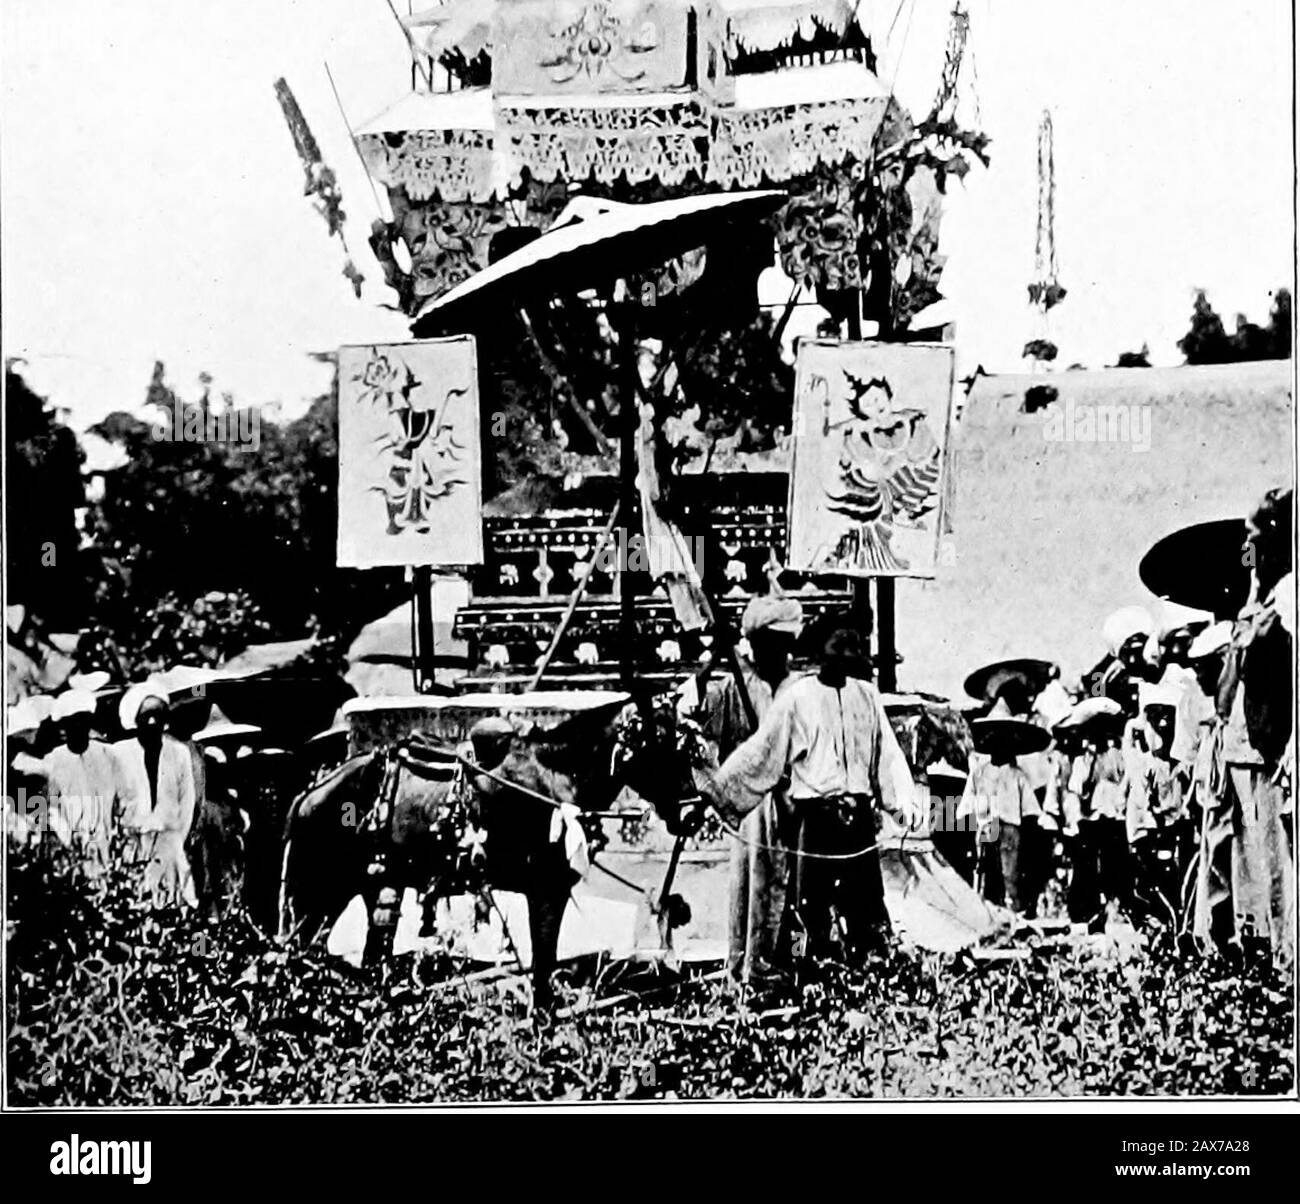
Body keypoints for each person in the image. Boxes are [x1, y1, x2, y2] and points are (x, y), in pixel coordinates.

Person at [696, 622, 917, 969]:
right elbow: (763, 751)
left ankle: (870, 969)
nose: (845, 656)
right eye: (837, 649)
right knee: (805, 905)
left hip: (857, 816)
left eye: (852, 649)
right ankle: (800, 969)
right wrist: (722, 792)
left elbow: (887, 754)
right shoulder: (798, 698)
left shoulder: (866, 696)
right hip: (816, 817)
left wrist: (901, 803)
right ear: (819, 655)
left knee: (867, 901)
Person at [693, 593, 804, 988]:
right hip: (752, 809)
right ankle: (751, 969)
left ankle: (794, 964)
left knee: (795, 893)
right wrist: (708, 667)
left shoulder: (801, 691)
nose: (770, 651)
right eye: (762, 644)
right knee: (753, 892)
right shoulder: (731, 688)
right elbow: (698, 726)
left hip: (797, 804)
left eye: (779, 644)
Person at [1207, 489, 1295, 973]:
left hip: (1271, 744)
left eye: (1253, 536)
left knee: (1276, 854)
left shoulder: (1283, 596)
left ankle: (1285, 951)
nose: (1248, 545)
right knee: (1250, 850)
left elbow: (1264, 657)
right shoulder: (1258, 598)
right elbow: (1226, 693)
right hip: (1245, 742)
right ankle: (1259, 941)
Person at [958, 698, 1050, 914]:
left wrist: (1030, 829)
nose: (999, 745)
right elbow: (967, 803)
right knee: (984, 871)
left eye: (1004, 740)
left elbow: (1031, 810)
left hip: (1010, 828)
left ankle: (1013, 915)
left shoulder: (1017, 775)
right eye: (994, 739)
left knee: (1010, 873)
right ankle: (986, 916)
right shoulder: (979, 772)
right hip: (986, 826)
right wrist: (969, 823)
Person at [12, 689, 118, 870]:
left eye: (84, 721)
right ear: (64, 727)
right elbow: (48, 808)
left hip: (106, 841)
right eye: (73, 723)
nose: (79, 728)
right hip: (72, 845)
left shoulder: (107, 754)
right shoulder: (53, 761)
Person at [113, 684, 198, 908]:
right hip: (132, 845)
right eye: (146, 716)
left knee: (170, 906)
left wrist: (176, 839)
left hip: (169, 843)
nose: (152, 722)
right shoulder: (119, 753)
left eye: (158, 716)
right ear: (136, 719)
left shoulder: (179, 753)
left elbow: (187, 800)